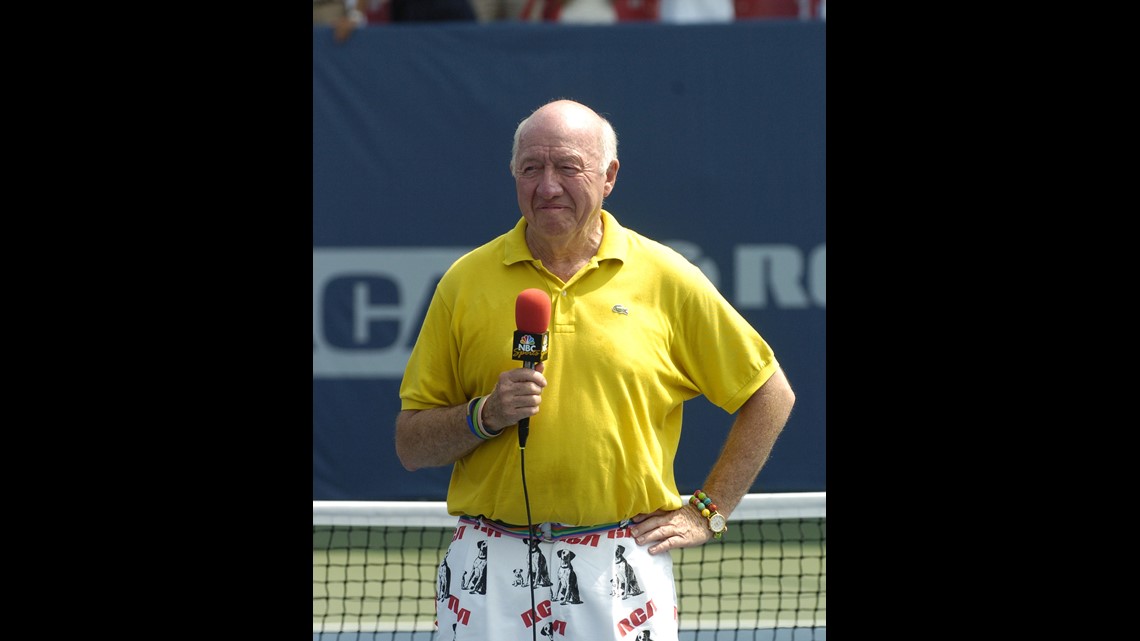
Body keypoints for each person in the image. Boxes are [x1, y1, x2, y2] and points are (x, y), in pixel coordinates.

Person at [394, 99, 796, 641]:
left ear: (608, 178)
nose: (548, 186)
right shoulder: (463, 283)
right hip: (487, 569)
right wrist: (483, 416)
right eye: (531, 168)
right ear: (513, 176)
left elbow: (770, 393)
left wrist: (708, 511)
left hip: (619, 570)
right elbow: (411, 445)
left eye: (568, 167)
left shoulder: (666, 277)